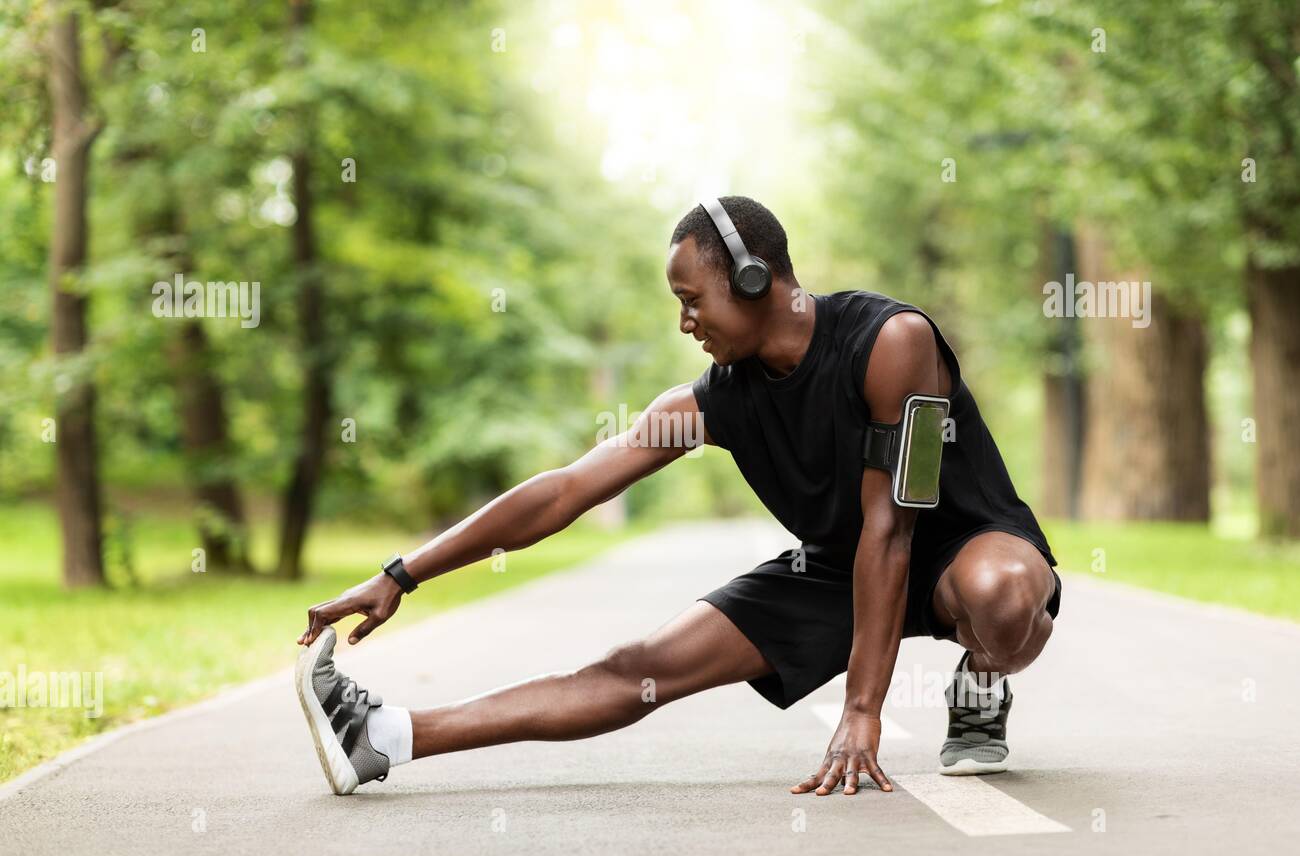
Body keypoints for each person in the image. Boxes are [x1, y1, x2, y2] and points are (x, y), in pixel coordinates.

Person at [294, 195, 1061, 797]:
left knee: (999, 593)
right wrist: (402, 574)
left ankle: (981, 681)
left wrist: (863, 711)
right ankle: (382, 737)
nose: (685, 322)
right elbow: (565, 492)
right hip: (839, 566)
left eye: (691, 299)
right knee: (638, 669)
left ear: (753, 279)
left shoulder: (893, 342)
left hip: (959, 541)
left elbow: (893, 530)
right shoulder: (714, 400)